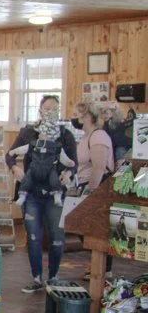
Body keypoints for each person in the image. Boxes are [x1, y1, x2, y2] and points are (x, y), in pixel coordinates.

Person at [6, 95, 77, 294]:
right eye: (47, 109)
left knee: (57, 237)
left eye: (54, 109)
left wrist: (68, 173)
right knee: (34, 237)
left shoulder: (65, 135)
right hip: (32, 194)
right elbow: (9, 155)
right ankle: (36, 277)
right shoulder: (29, 132)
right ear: (39, 110)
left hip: (55, 193)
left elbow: (74, 162)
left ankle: (54, 276)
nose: (50, 113)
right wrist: (15, 168)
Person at [73, 101, 115, 278]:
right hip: (84, 184)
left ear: (87, 116)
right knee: (83, 228)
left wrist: (90, 192)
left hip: (98, 186)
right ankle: (99, 265)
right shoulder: (85, 137)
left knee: (96, 229)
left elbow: (99, 167)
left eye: (77, 114)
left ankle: (104, 269)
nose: (75, 117)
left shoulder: (99, 136)